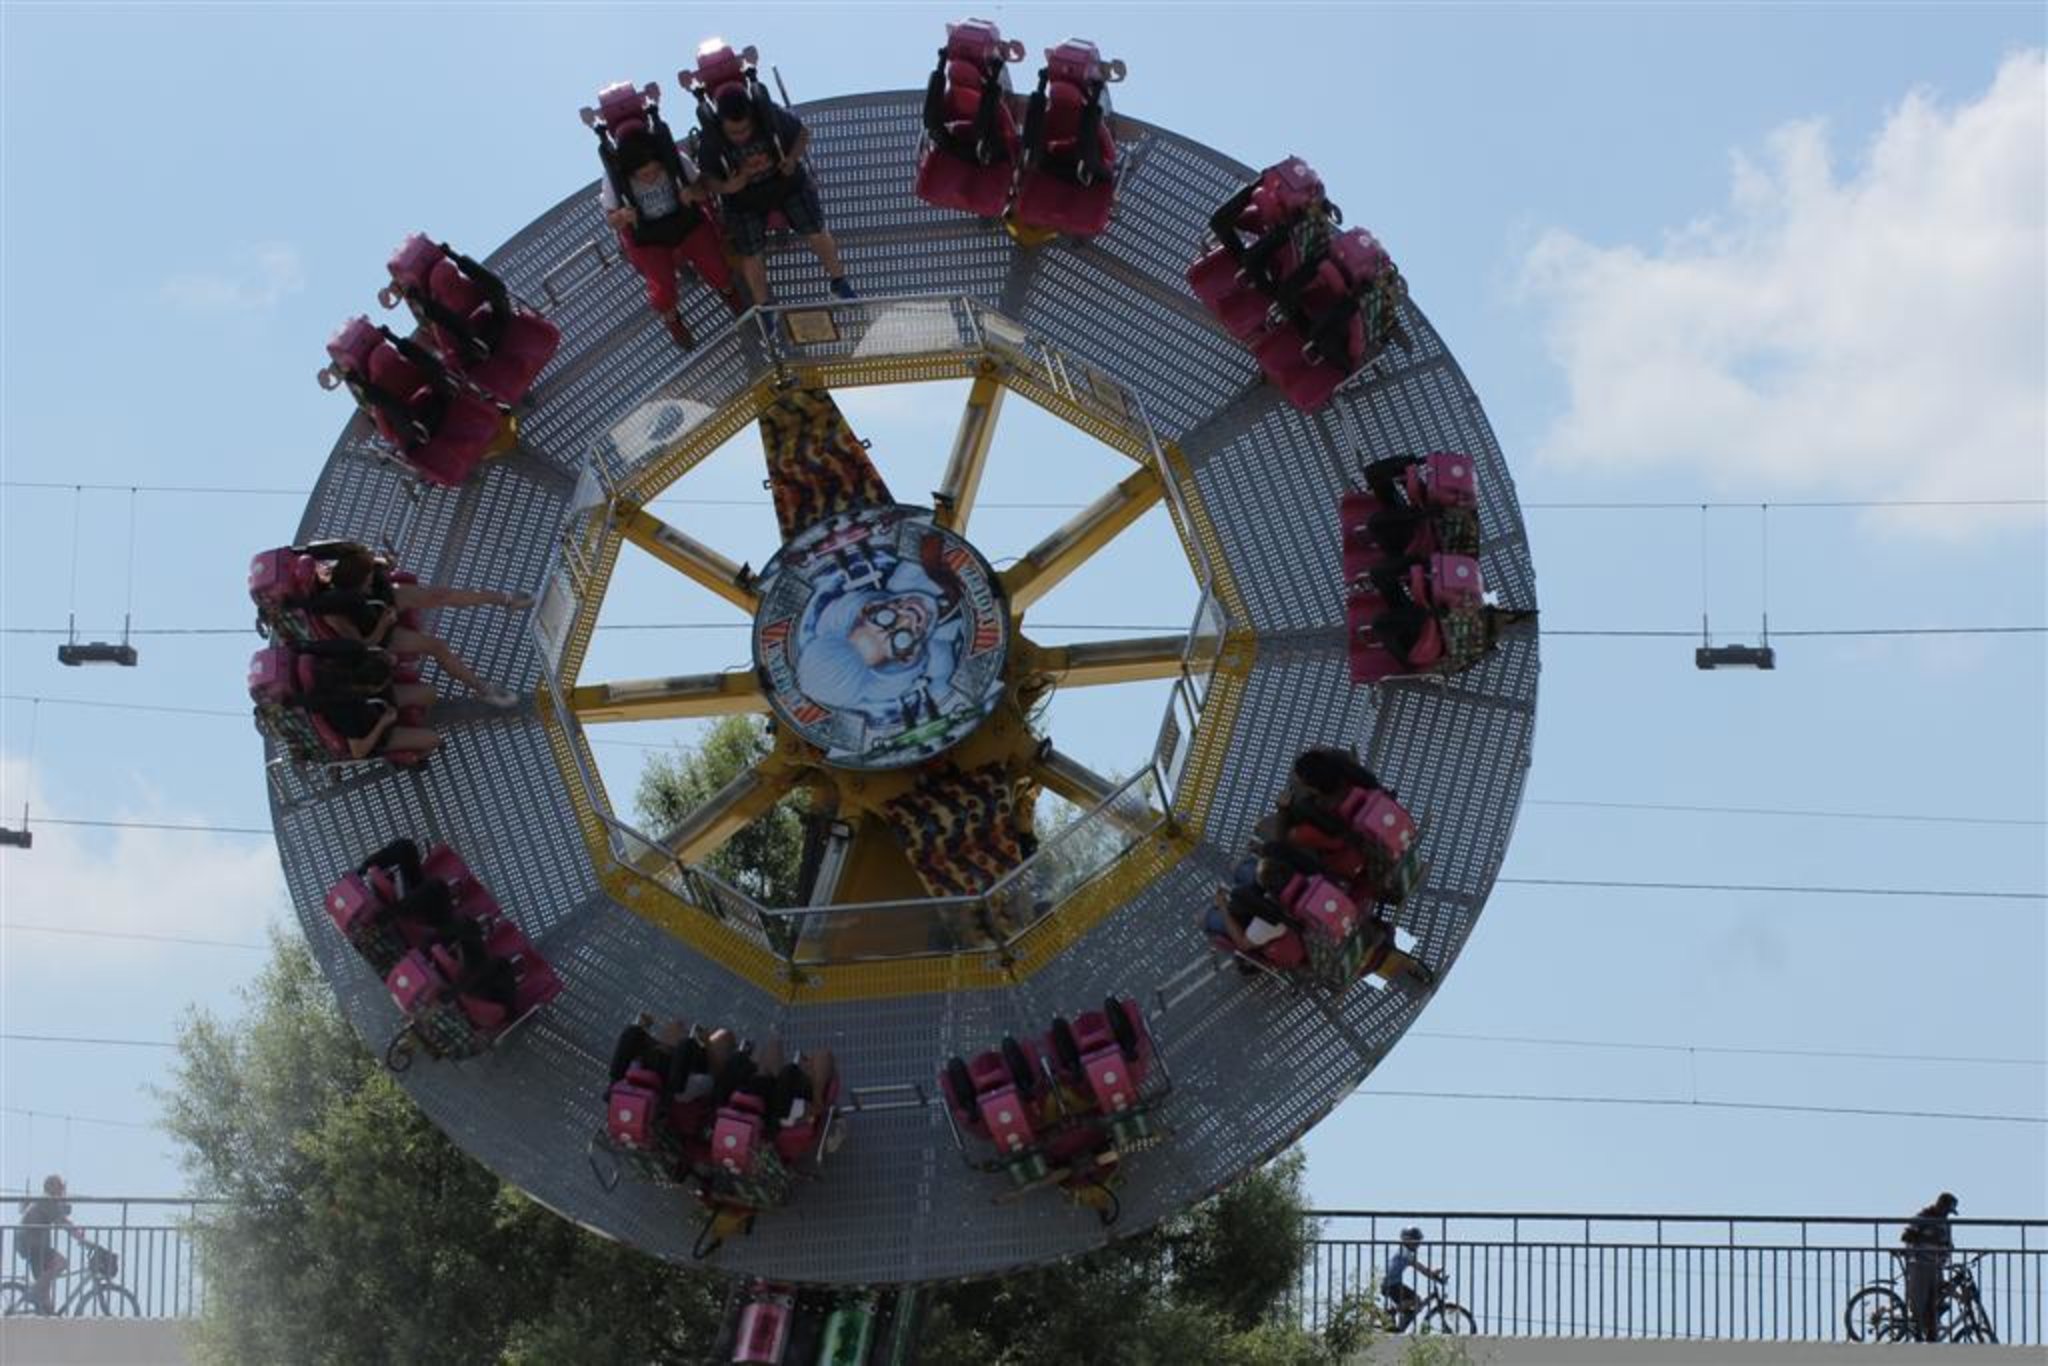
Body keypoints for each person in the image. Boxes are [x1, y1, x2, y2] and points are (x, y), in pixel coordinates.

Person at [695, 87, 855, 306]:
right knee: (751, 253)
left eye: (746, 130)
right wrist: (727, 187)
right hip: (744, 200)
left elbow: (802, 133)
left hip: (786, 184)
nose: (741, 136)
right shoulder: (712, 139)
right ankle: (765, 307)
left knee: (816, 230)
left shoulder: (769, 115)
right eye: (734, 133)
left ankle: (840, 282)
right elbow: (706, 179)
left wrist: (791, 159)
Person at [309, 547, 520, 708]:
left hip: (382, 600)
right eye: (365, 581)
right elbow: (363, 644)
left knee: (439, 595)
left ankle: (507, 599)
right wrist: (383, 624)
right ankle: (483, 689)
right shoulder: (334, 611)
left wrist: (386, 564)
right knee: (436, 646)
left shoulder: (352, 567)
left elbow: (376, 567)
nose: (370, 580)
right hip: (377, 629)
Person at [598, 128, 737, 350]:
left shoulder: (675, 160)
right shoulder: (614, 180)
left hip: (685, 223)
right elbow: (611, 220)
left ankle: (730, 294)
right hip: (648, 237)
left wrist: (692, 192)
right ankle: (673, 320)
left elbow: (703, 188)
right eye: (644, 176)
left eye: (655, 171)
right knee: (662, 292)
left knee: (718, 269)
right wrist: (622, 216)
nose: (651, 178)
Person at [17, 1175, 84, 1315]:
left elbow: (62, 1215)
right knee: (62, 1263)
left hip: (31, 1244)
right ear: (52, 1187)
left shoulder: (47, 1201)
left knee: (46, 1294)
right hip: (33, 1243)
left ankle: (46, 1312)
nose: (62, 1191)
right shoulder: (46, 1200)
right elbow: (62, 1221)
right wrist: (79, 1235)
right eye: (60, 1187)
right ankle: (34, 1291)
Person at [1901, 1192, 1959, 1342]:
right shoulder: (1923, 1217)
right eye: (1947, 1210)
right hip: (1921, 1266)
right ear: (1940, 1205)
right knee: (1920, 1305)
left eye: (1949, 1212)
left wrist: (1947, 1251)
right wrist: (1929, 1238)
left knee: (1935, 1304)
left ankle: (1931, 1338)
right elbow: (1906, 1236)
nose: (1947, 1214)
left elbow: (1948, 1244)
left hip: (1936, 1268)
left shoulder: (1945, 1224)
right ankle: (1919, 1336)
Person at [1382, 1227, 1444, 1331]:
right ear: (1407, 1240)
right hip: (1391, 1284)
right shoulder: (1405, 1252)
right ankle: (1391, 1311)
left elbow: (1420, 1267)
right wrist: (1432, 1274)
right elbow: (1419, 1267)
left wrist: (1432, 1274)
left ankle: (1402, 1319)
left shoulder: (1404, 1251)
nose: (1418, 1245)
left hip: (1393, 1283)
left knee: (1415, 1303)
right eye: (1416, 1242)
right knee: (1416, 1300)